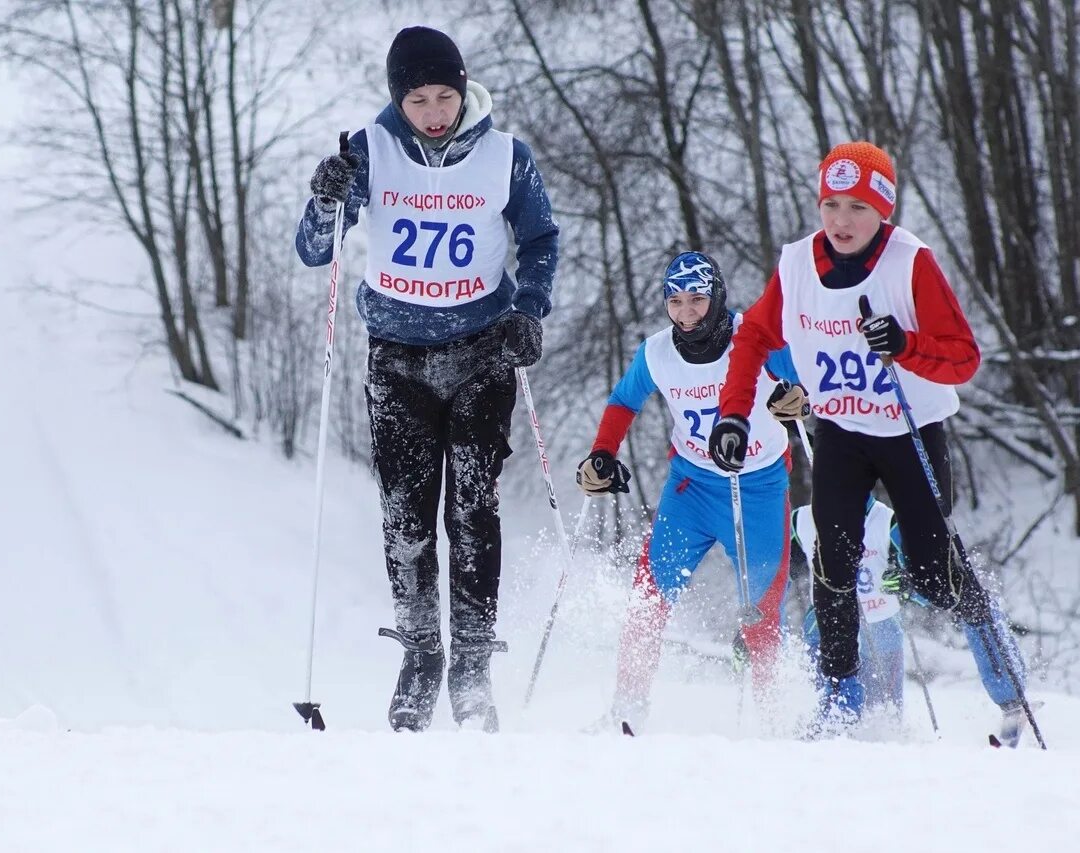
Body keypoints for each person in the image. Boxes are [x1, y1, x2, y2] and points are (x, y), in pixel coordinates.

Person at [294, 26, 559, 733]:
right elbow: (314, 249)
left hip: (482, 351)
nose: (435, 111)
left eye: (446, 95)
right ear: (398, 99)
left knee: (473, 509)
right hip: (399, 357)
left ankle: (472, 664)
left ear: (465, 89)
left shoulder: (508, 156)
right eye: (419, 99)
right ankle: (421, 657)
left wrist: (530, 310)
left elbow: (540, 239)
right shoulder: (369, 151)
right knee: (406, 518)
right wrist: (326, 198)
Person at [709, 140, 1025, 732]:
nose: (841, 220)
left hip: (909, 430)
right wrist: (732, 413)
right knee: (832, 563)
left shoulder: (911, 262)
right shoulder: (798, 263)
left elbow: (963, 359)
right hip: (841, 433)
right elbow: (751, 336)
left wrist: (905, 346)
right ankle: (841, 704)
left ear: (883, 209)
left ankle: (1008, 689)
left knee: (932, 570)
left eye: (857, 206)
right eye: (830, 204)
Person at [576, 252, 808, 731]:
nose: (686, 312)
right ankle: (627, 710)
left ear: (717, 296)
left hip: (760, 486)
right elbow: (624, 400)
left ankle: (774, 721)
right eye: (675, 301)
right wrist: (603, 452)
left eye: (697, 299)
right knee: (649, 595)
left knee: (762, 614)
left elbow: (803, 381)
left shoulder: (756, 336)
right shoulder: (657, 352)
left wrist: (795, 398)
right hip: (693, 489)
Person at [790, 499, 1031, 745]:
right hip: (822, 635)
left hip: (881, 636)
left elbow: (926, 580)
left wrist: (905, 585)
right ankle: (816, 752)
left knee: (881, 727)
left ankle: (1013, 702)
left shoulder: (887, 521)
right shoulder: (802, 521)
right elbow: (780, 573)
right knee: (833, 718)